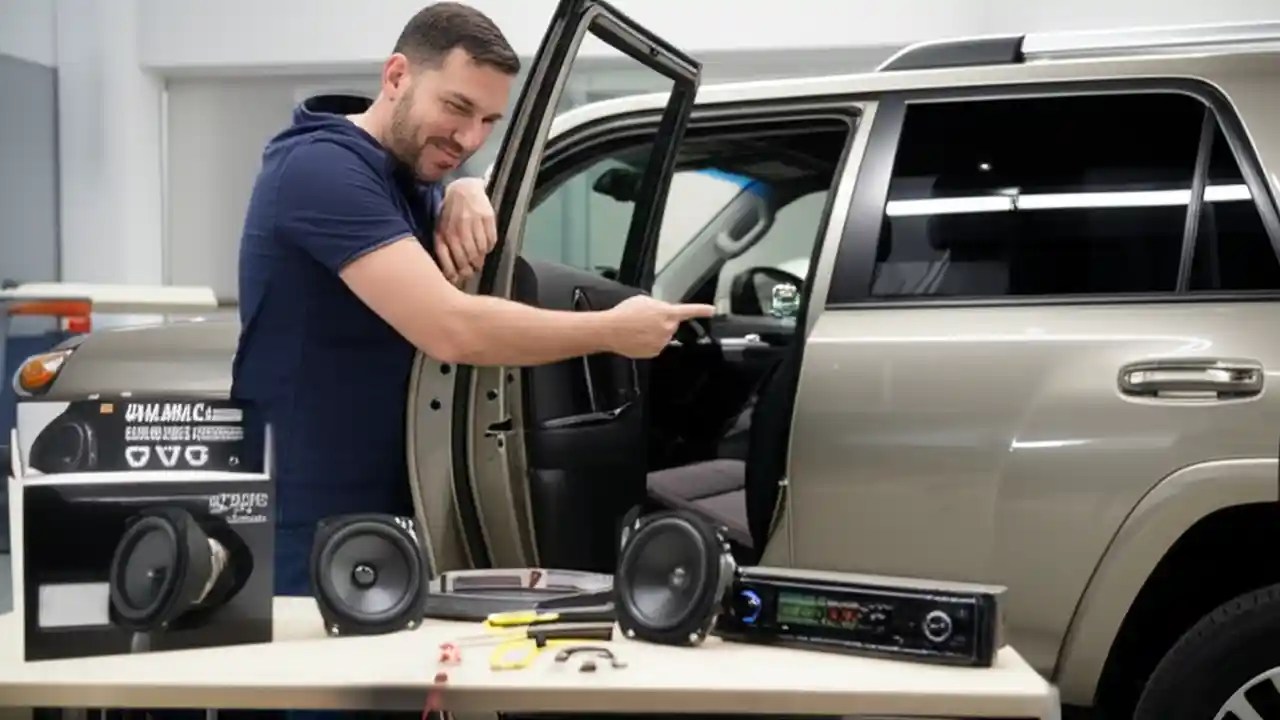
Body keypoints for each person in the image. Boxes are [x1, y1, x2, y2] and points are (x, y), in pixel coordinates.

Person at [232, 1, 715, 598]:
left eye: (488, 120)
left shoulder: (407, 176)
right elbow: (450, 328)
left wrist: (468, 188)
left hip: (390, 507)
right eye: (457, 107)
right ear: (396, 77)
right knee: (315, 691)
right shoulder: (318, 169)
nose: (469, 137)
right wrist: (609, 332)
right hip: (308, 513)